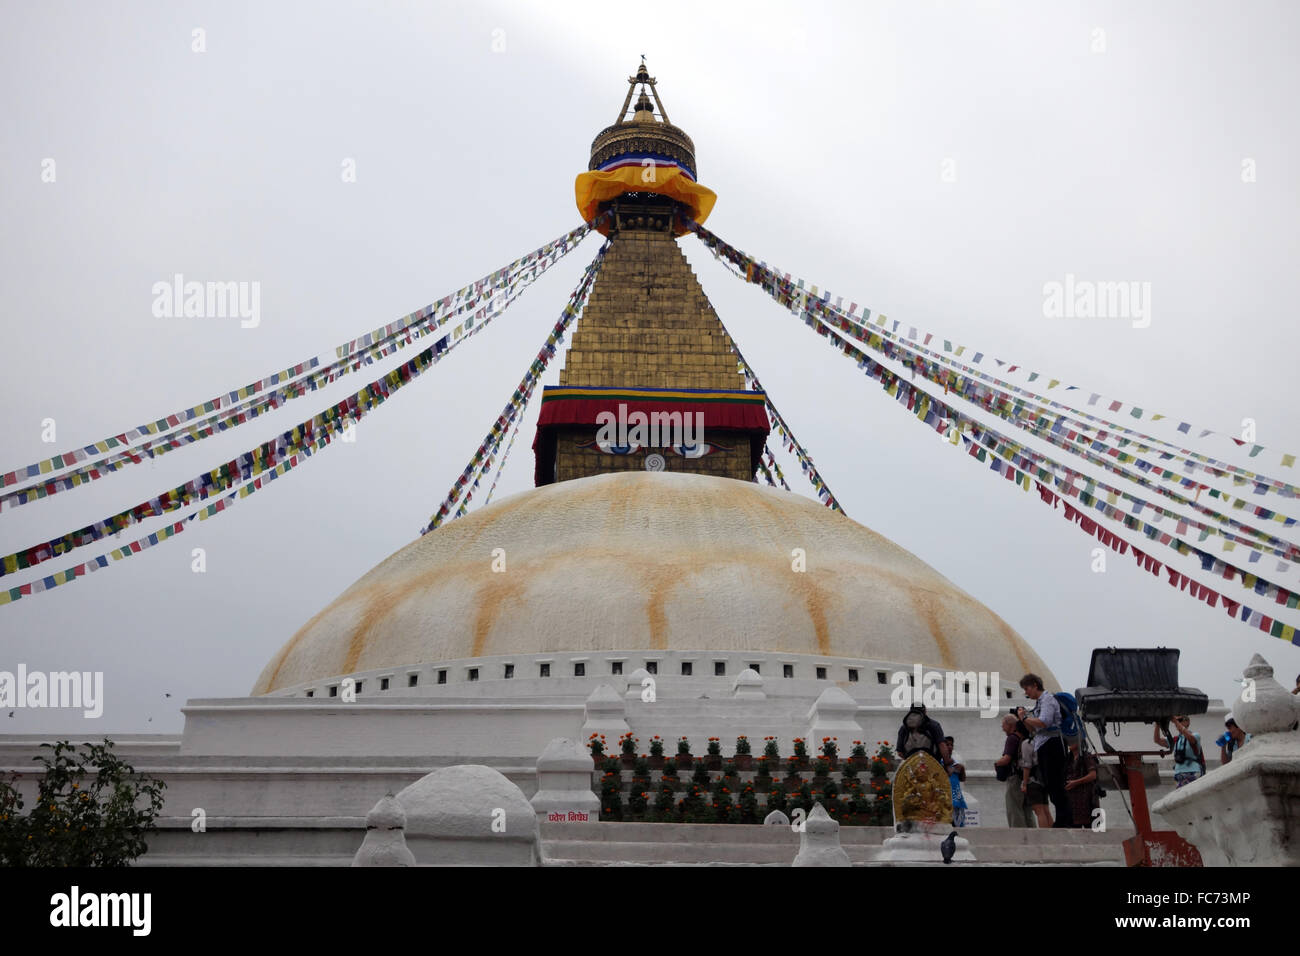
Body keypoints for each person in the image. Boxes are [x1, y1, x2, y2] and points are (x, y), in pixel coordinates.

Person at [1017, 673, 1072, 827]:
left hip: (1053, 744)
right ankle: (1062, 820)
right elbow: (1033, 730)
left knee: (1056, 784)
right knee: (1050, 784)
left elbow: (1044, 722)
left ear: (1035, 685)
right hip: (1043, 745)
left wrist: (1025, 718)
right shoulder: (1038, 704)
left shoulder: (1048, 699)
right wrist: (1024, 718)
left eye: (1027, 688)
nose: (1026, 692)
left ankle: (1065, 821)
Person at [996, 713, 1035, 827]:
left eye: (1003, 725)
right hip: (1026, 777)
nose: (1002, 728)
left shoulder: (1012, 738)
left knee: (1014, 808)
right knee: (1027, 810)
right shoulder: (1024, 738)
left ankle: (1019, 836)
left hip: (1015, 778)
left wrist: (997, 763)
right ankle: (1033, 836)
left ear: (1010, 725)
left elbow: (1006, 759)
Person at [1154, 715, 1204, 787]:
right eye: (1176, 721)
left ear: (1187, 722)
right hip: (1179, 773)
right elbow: (1157, 740)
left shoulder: (1195, 735)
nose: (1176, 723)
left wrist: (1175, 721)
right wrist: (1158, 724)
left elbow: (1191, 738)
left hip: (1193, 771)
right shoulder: (1176, 739)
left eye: (1180, 720)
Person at [1020, 725, 1052, 828]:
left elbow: (1027, 765)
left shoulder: (1027, 743)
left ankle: (1044, 836)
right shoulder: (1044, 741)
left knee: (1039, 812)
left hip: (1033, 781)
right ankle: (1052, 834)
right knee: (1046, 810)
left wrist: (1024, 783)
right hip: (1045, 779)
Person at [1064, 740, 1099, 828]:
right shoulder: (1069, 758)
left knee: (1093, 829)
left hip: (1087, 799)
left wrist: (1075, 782)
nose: (1070, 742)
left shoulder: (1086, 756)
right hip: (1073, 802)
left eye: (1073, 739)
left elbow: (1093, 775)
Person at [938, 736, 967, 826]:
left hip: (957, 800)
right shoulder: (938, 764)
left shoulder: (957, 764)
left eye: (951, 745)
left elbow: (963, 779)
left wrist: (962, 770)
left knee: (958, 828)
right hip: (944, 801)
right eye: (947, 745)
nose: (949, 747)